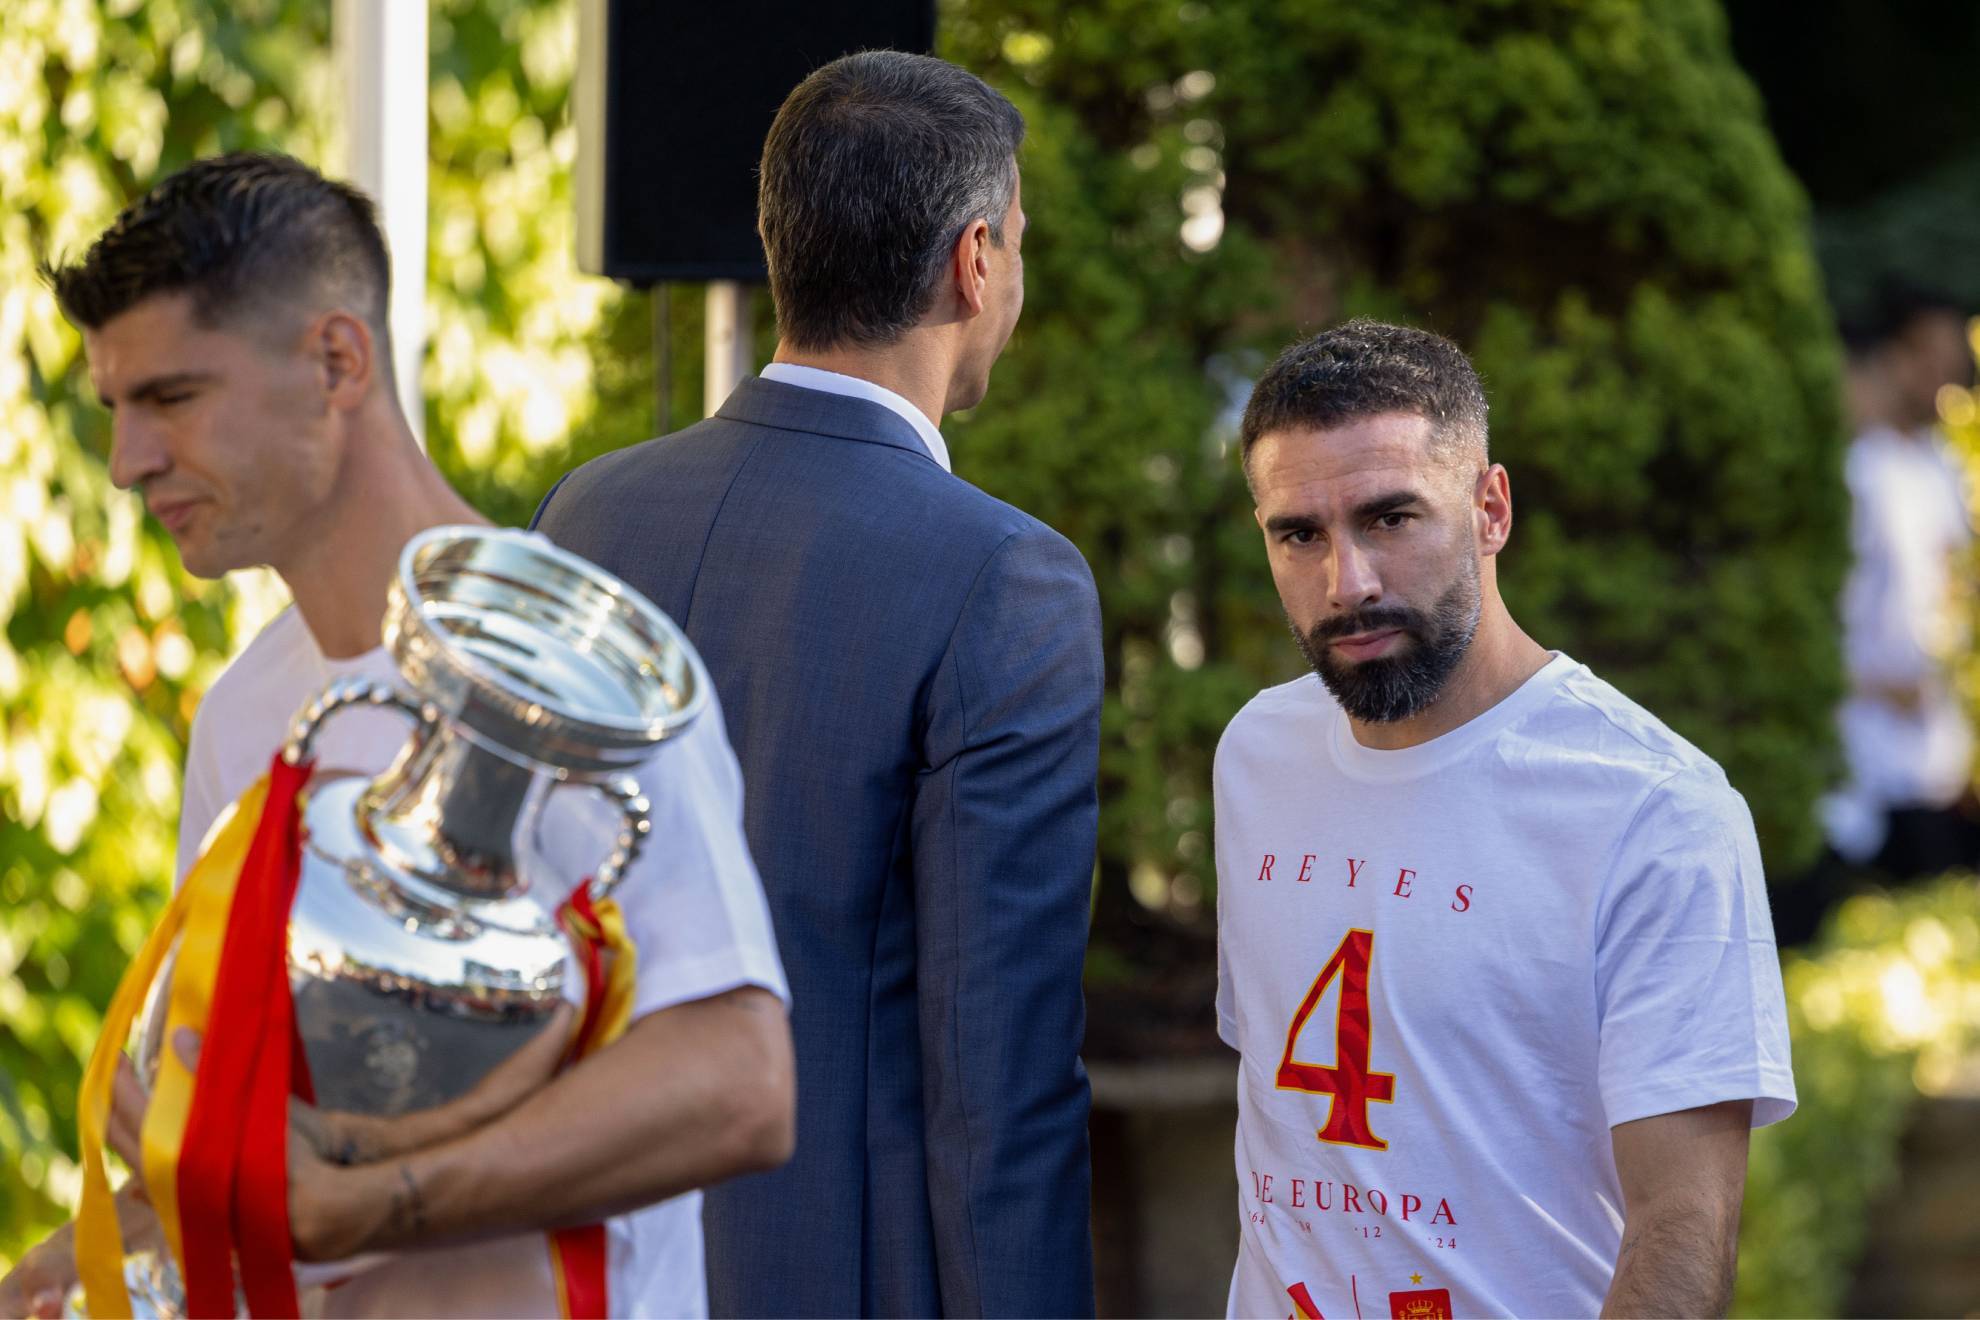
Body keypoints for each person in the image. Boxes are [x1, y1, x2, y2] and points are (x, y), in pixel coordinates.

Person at [0, 152, 793, 1319]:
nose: (129, 465)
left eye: (172, 398)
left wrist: (382, 1207)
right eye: (115, 410)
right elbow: (280, 1157)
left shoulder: (561, 670)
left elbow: (742, 1081)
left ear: (336, 361)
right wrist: (106, 1248)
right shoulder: (242, 713)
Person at [532, 50, 1101, 1318]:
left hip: (590, 1257)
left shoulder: (585, 512)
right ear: (977, 261)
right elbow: (994, 1075)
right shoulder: (1008, 577)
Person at [1214, 320, 1795, 1318]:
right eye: (1299, 533)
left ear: (1490, 509)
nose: (1346, 584)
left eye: (1391, 518)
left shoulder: (1653, 809)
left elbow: (1682, 1226)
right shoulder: (1257, 756)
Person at [1821, 284, 1979, 881]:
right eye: (1925, 353)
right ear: (1893, 358)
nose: (1941, 371)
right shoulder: (1860, 470)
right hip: (1867, 748)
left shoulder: (1948, 464)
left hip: (1946, 749)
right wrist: (1870, 684)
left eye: (1952, 354)